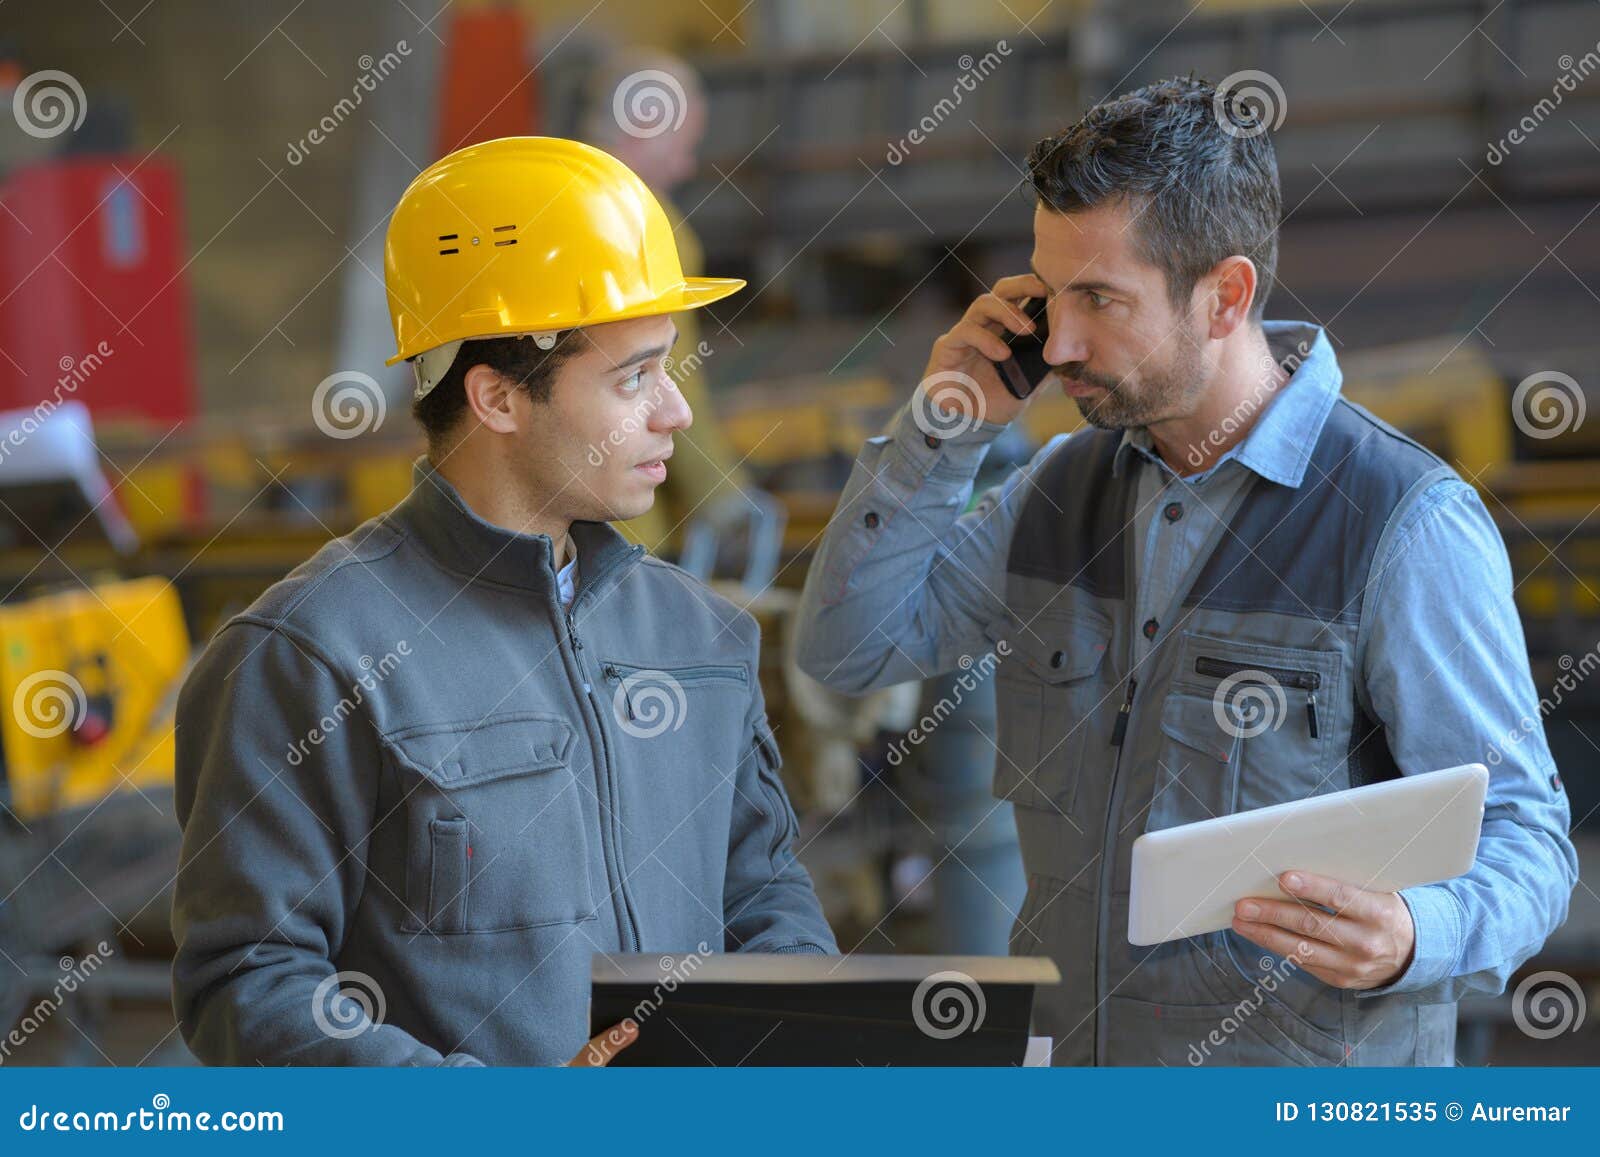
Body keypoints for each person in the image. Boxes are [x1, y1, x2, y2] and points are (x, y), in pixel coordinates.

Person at [793, 77, 1575, 1066]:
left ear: (1226, 297)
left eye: (1100, 299)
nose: (1059, 342)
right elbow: (846, 646)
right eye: (1047, 291)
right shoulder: (1055, 491)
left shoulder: (1399, 524)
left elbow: (1524, 832)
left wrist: (1420, 932)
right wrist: (939, 427)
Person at [171, 136, 835, 1067]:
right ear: (496, 398)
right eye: (633, 376)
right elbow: (249, 980)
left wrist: (791, 1034)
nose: (677, 415)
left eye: (668, 368)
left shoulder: (694, 628)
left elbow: (765, 893)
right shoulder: (313, 653)